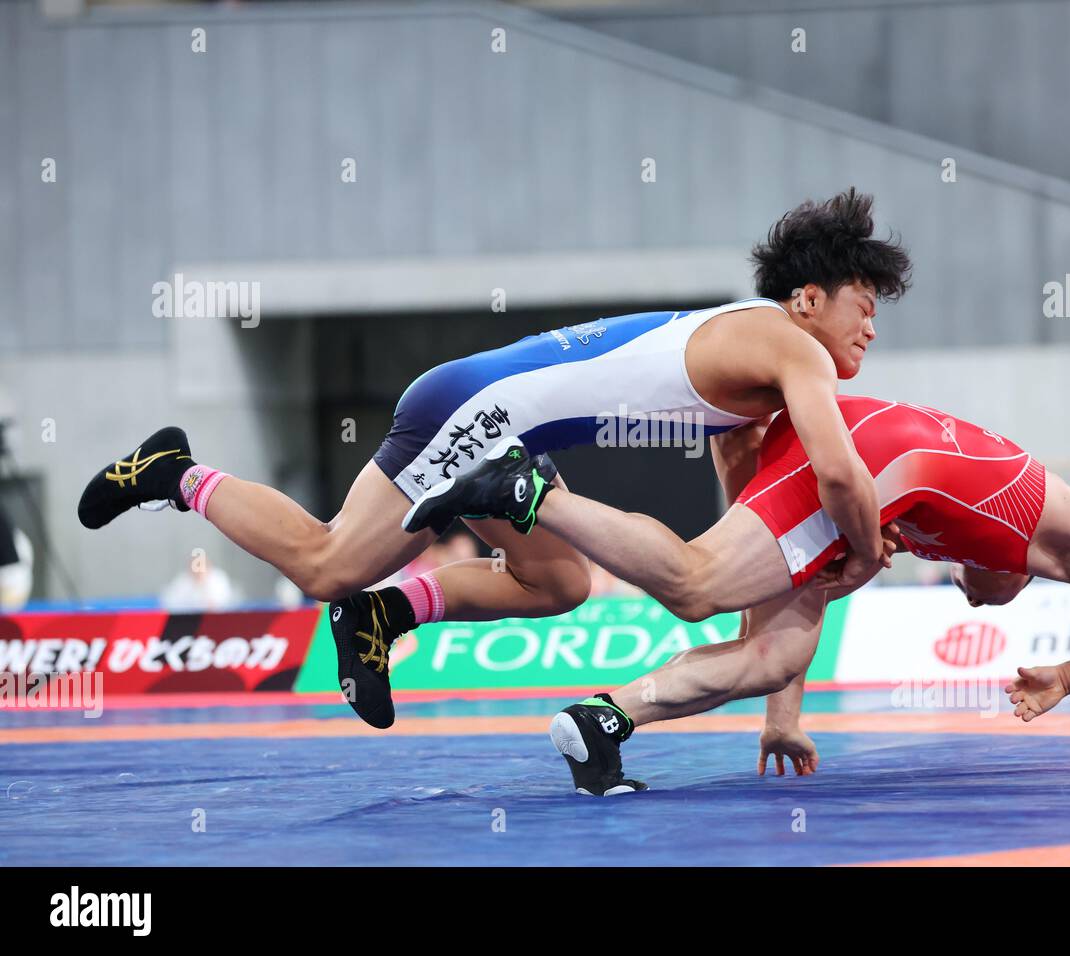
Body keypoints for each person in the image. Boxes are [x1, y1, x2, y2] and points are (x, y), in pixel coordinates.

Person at [76, 188, 912, 728]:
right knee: (327, 564)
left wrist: (778, 698)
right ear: (809, 298)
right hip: (477, 411)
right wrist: (866, 548)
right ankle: (173, 473)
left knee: (560, 583)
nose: (871, 329)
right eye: (865, 306)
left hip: (507, 426)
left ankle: (384, 615)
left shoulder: (756, 369)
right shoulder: (791, 346)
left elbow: (749, 530)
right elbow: (839, 475)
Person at [417, 395, 1070, 795]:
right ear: (1026, 573)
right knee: (698, 585)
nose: (971, 598)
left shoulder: (936, 525)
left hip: (831, 438)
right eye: (983, 594)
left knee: (770, 654)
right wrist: (1066, 678)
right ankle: (531, 491)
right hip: (862, 453)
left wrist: (782, 720)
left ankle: (603, 720)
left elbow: (810, 592)